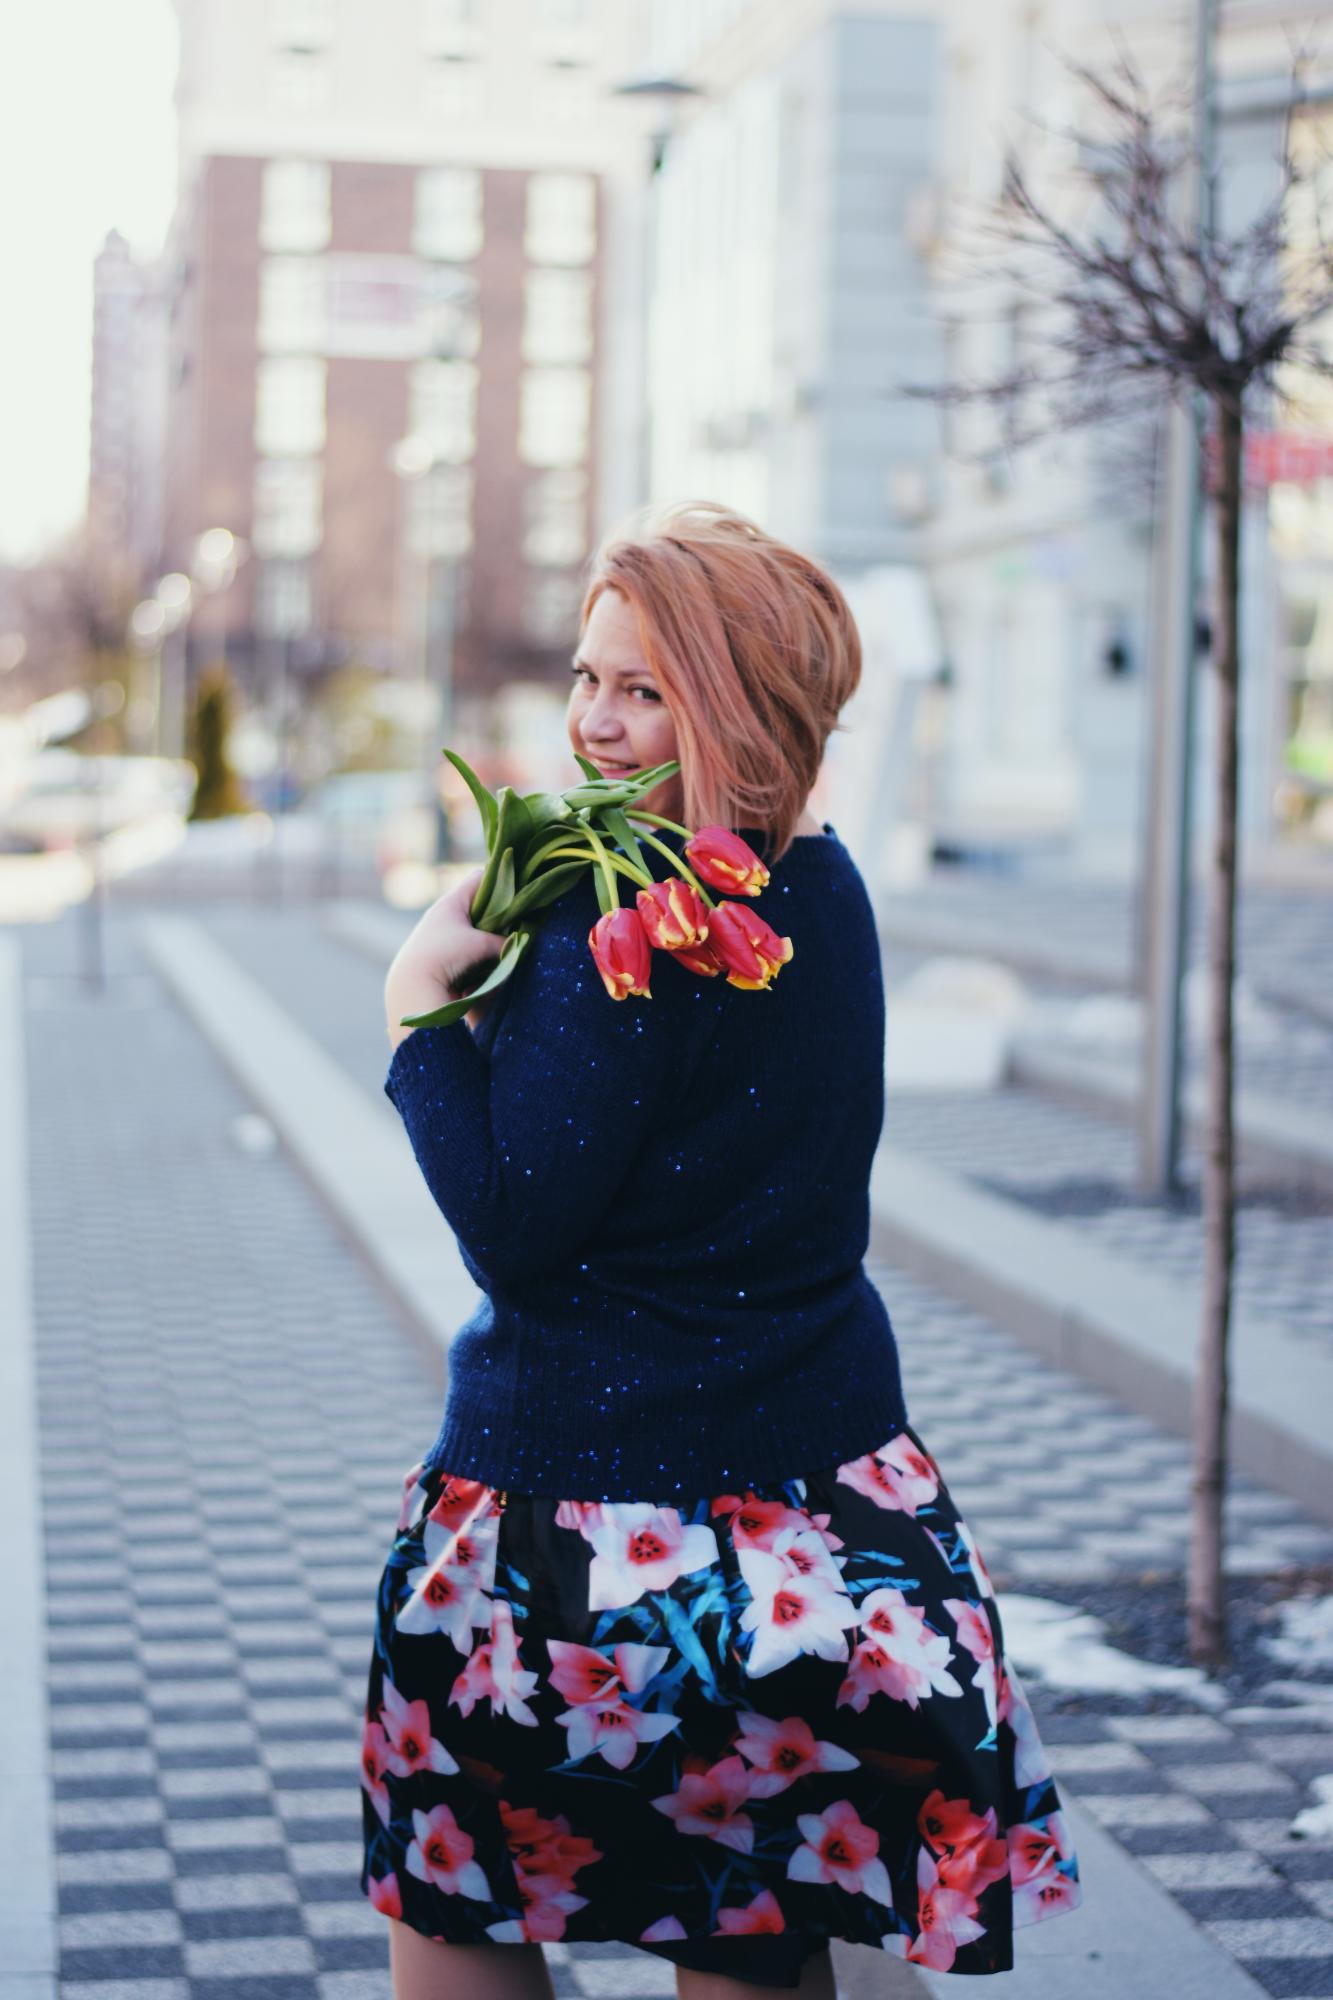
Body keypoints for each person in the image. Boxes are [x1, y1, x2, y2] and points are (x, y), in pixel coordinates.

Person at [360, 502, 1082, 2000]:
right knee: (752, 1938)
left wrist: (422, 1014)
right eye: (585, 679)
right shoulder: (824, 889)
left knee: (456, 1912)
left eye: (642, 688)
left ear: (740, 701)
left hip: (577, 1530)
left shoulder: (619, 924)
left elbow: (513, 1229)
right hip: (816, 1529)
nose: (596, 724)